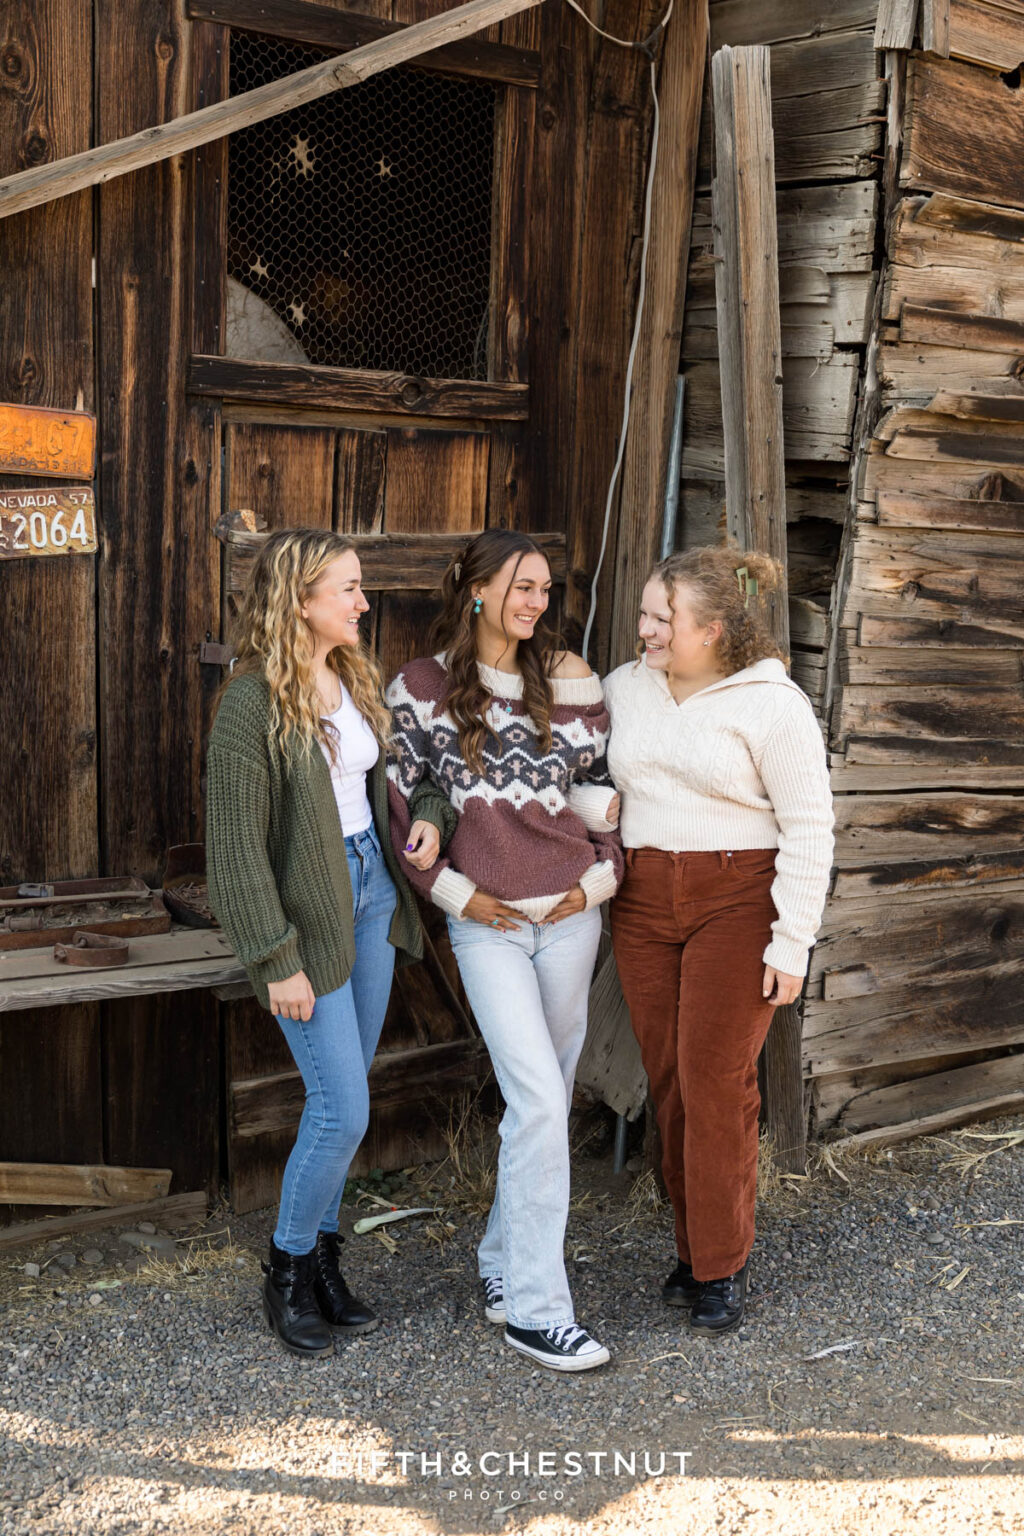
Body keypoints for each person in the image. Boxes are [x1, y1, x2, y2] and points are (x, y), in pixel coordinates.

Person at [206, 528, 454, 1358]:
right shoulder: (250, 703)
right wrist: (275, 959)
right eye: (347, 588)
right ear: (299, 598)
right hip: (307, 918)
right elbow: (235, 852)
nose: (363, 601)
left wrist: (427, 815)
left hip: (374, 894)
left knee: (348, 1104)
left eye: (360, 586)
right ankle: (286, 1268)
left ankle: (324, 1263)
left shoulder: (353, 676)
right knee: (341, 1107)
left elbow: (407, 773)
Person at [386, 528, 623, 1373]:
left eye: (547, 589)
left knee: (545, 1103)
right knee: (536, 1101)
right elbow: (402, 813)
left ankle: (499, 1263)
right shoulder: (419, 689)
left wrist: (594, 885)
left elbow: (600, 800)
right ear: (477, 590)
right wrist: (459, 897)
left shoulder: (567, 678)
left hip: (568, 916)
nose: (537, 602)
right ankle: (536, 1309)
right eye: (522, 586)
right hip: (484, 924)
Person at [606, 545, 834, 1334]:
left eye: (660, 619)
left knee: (715, 1080)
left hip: (737, 900)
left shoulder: (772, 705)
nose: (644, 630)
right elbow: (595, 777)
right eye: (644, 614)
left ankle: (719, 1265)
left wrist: (790, 941)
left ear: (709, 628)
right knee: (668, 1078)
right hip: (640, 900)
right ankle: (691, 1245)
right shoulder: (624, 689)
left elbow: (810, 827)